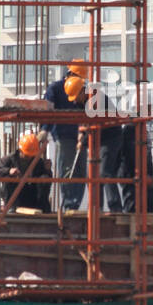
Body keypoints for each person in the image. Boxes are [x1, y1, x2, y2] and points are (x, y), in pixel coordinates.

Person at [64, 75, 124, 212]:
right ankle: (97, 207)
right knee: (94, 175)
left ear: (81, 91)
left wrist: (83, 142)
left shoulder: (96, 100)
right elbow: (84, 121)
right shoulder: (81, 101)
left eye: (76, 96)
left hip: (110, 137)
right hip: (98, 139)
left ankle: (115, 207)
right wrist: (81, 132)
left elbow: (96, 127)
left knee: (105, 173)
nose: (75, 101)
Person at [39, 59, 89, 210]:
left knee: (80, 171)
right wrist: (45, 129)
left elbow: (86, 111)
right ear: (71, 73)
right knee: (68, 170)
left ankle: (75, 205)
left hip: (79, 135)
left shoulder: (81, 89)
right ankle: (68, 205)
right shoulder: (55, 88)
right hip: (63, 134)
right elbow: (48, 110)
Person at [0, 131, 53, 212]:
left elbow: (47, 179)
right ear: (20, 150)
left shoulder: (37, 161)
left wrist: (48, 170)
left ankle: (42, 208)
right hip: (16, 196)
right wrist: (8, 171)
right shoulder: (10, 159)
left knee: (44, 179)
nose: (29, 157)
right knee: (10, 180)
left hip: (32, 195)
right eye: (27, 155)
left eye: (31, 155)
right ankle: (11, 208)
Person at [116, 121, 153, 214]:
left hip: (138, 177)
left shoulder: (141, 133)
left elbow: (147, 157)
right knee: (135, 205)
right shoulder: (130, 132)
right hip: (132, 177)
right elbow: (128, 156)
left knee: (141, 206)